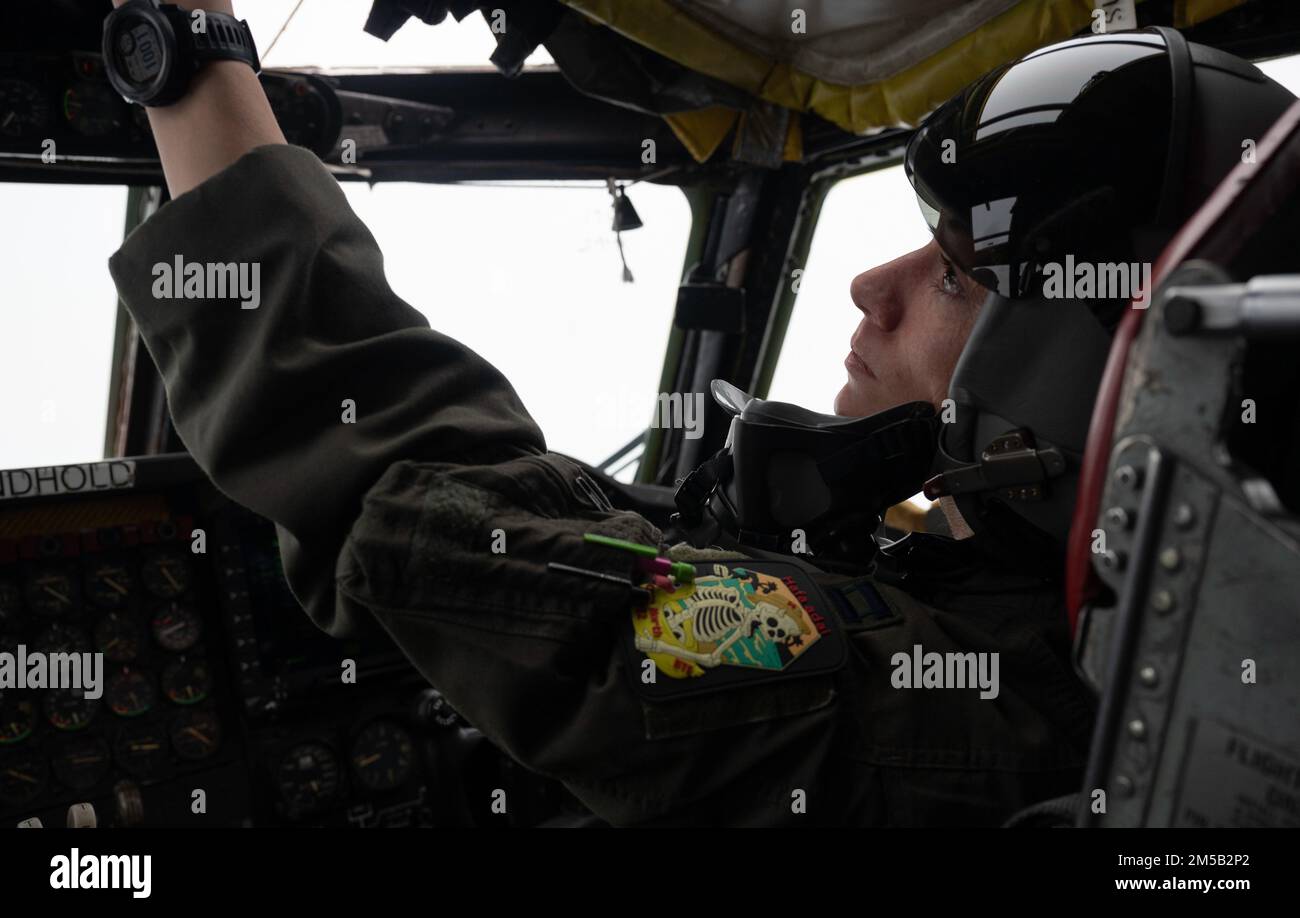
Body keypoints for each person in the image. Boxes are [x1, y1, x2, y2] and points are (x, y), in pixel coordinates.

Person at [101, 0, 1294, 825]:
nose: (868, 289)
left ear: (1085, 377)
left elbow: (406, 503)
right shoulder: (1009, 614)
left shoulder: (990, 722)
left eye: (954, 277)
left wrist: (187, 55)